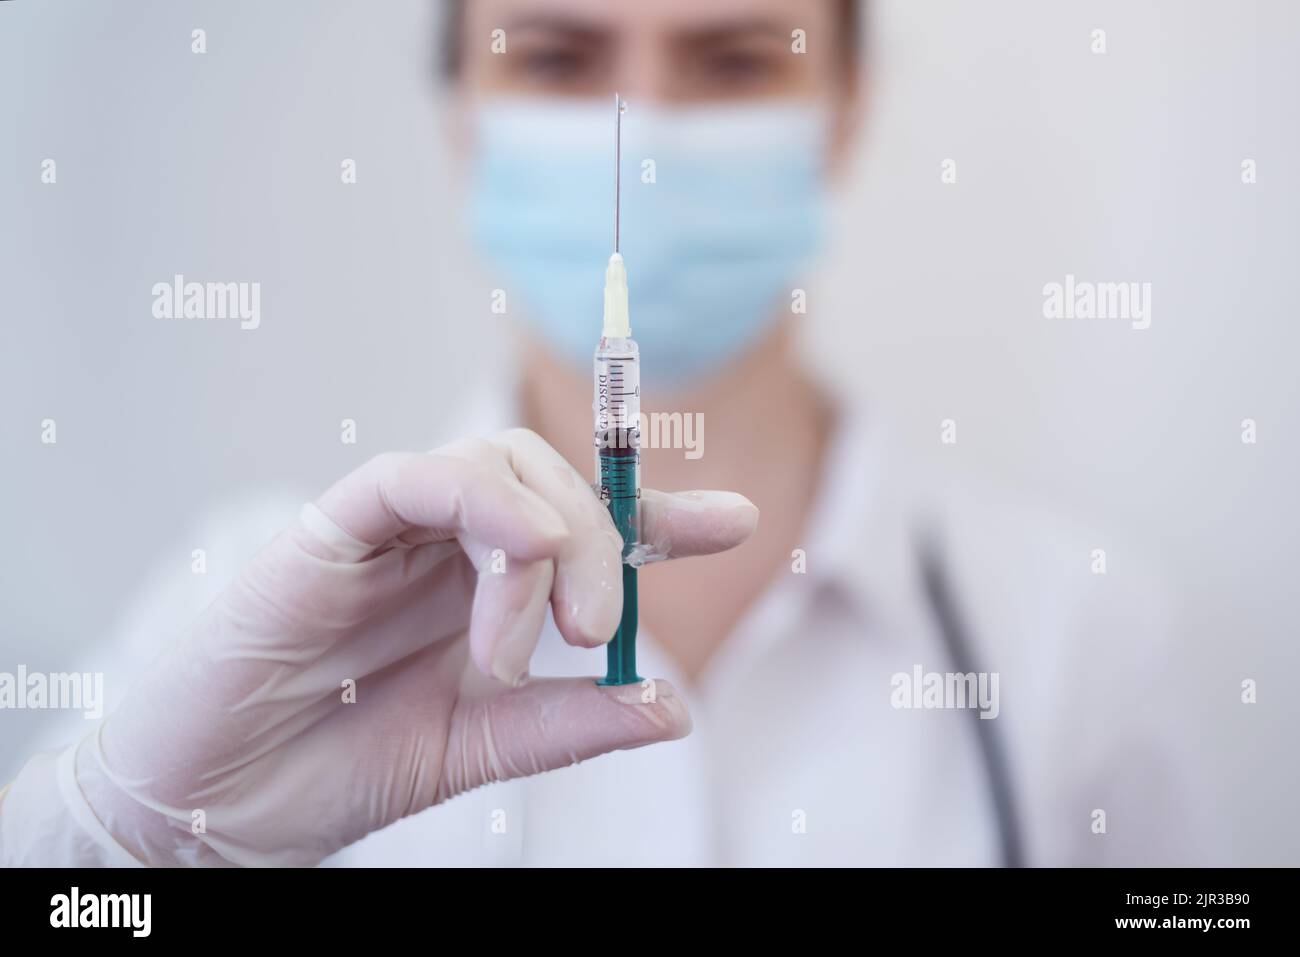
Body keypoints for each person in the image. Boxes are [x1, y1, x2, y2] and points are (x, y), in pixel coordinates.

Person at [0, 0, 1208, 867]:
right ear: (462, 120)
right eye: (558, 57)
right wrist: (123, 849)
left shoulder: (1072, 636)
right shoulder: (251, 612)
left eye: (733, 61)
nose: (647, 130)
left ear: (845, 110)